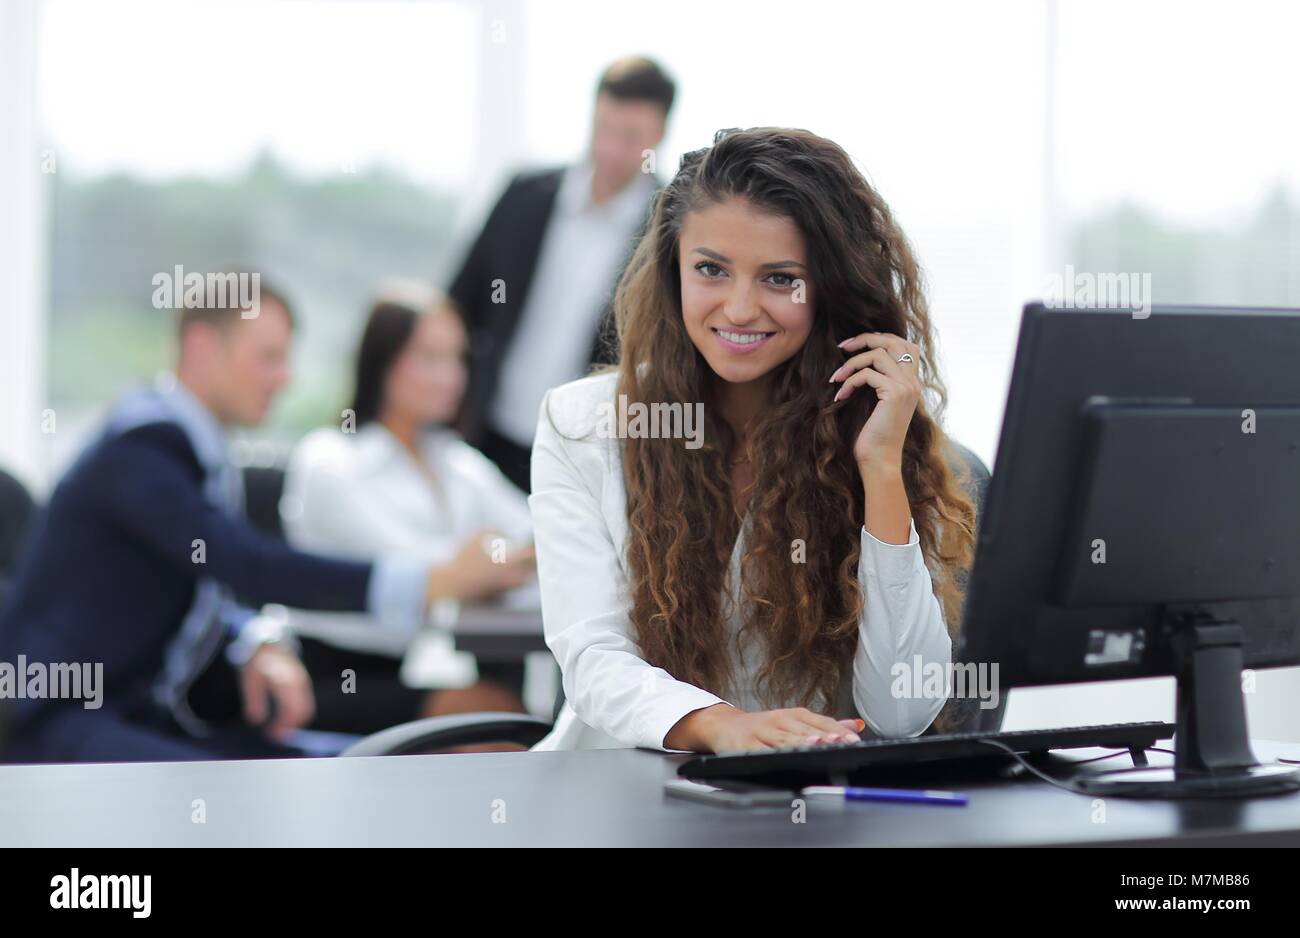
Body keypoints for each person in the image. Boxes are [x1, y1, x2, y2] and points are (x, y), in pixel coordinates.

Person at [528, 128, 980, 753]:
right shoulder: (582, 426)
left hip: (797, 813)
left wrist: (880, 469)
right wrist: (722, 726)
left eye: (779, 279)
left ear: (828, 287)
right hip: (615, 802)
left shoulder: (877, 434)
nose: (740, 309)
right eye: (711, 270)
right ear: (674, 271)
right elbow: (592, 659)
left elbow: (902, 710)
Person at [0, 283, 471, 763]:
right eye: (269, 357)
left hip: (142, 715)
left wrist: (255, 641)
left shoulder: (199, 450)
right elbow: (243, 562)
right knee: (290, 791)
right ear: (202, 348)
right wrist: (428, 582)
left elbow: (200, 587)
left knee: (360, 767)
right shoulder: (140, 447)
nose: (285, 378)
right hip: (59, 724)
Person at [282, 287, 536, 734]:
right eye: (430, 357)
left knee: (509, 717)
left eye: (456, 359)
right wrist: (484, 562)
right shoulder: (331, 460)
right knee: (502, 722)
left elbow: (541, 533)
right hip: (313, 681)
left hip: (399, 671)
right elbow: (423, 578)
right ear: (382, 361)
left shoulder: (450, 458)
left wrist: (489, 561)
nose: (451, 377)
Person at [448, 56, 675, 492]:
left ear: (660, 134)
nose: (611, 149)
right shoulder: (525, 194)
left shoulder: (670, 228)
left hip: (589, 457)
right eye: (603, 130)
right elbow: (462, 301)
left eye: (631, 137)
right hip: (482, 433)